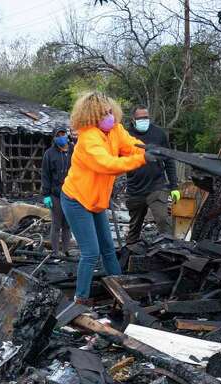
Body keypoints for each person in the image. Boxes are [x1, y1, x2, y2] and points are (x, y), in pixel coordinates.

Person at [60, 91, 147, 302]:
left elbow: (132, 146)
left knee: (108, 248)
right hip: (77, 200)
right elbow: (107, 165)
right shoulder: (88, 139)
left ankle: (121, 290)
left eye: (109, 112)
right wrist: (142, 159)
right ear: (91, 116)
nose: (108, 116)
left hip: (96, 201)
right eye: (103, 114)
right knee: (91, 252)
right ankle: (80, 300)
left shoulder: (116, 129)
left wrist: (145, 150)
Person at [124, 107, 178, 244]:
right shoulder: (125, 136)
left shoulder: (159, 134)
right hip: (135, 188)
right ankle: (130, 254)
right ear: (133, 119)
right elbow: (115, 161)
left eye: (146, 118)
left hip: (157, 186)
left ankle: (169, 250)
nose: (144, 120)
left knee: (162, 220)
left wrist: (174, 186)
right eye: (140, 118)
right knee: (134, 227)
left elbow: (169, 160)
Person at [40, 125, 74, 258]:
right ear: (54, 138)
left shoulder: (74, 150)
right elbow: (45, 175)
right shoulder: (49, 154)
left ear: (67, 135)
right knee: (56, 224)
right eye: (58, 135)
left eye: (63, 134)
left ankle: (66, 250)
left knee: (68, 224)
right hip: (56, 194)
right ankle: (55, 252)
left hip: (72, 193)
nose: (61, 137)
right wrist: (46, 194)